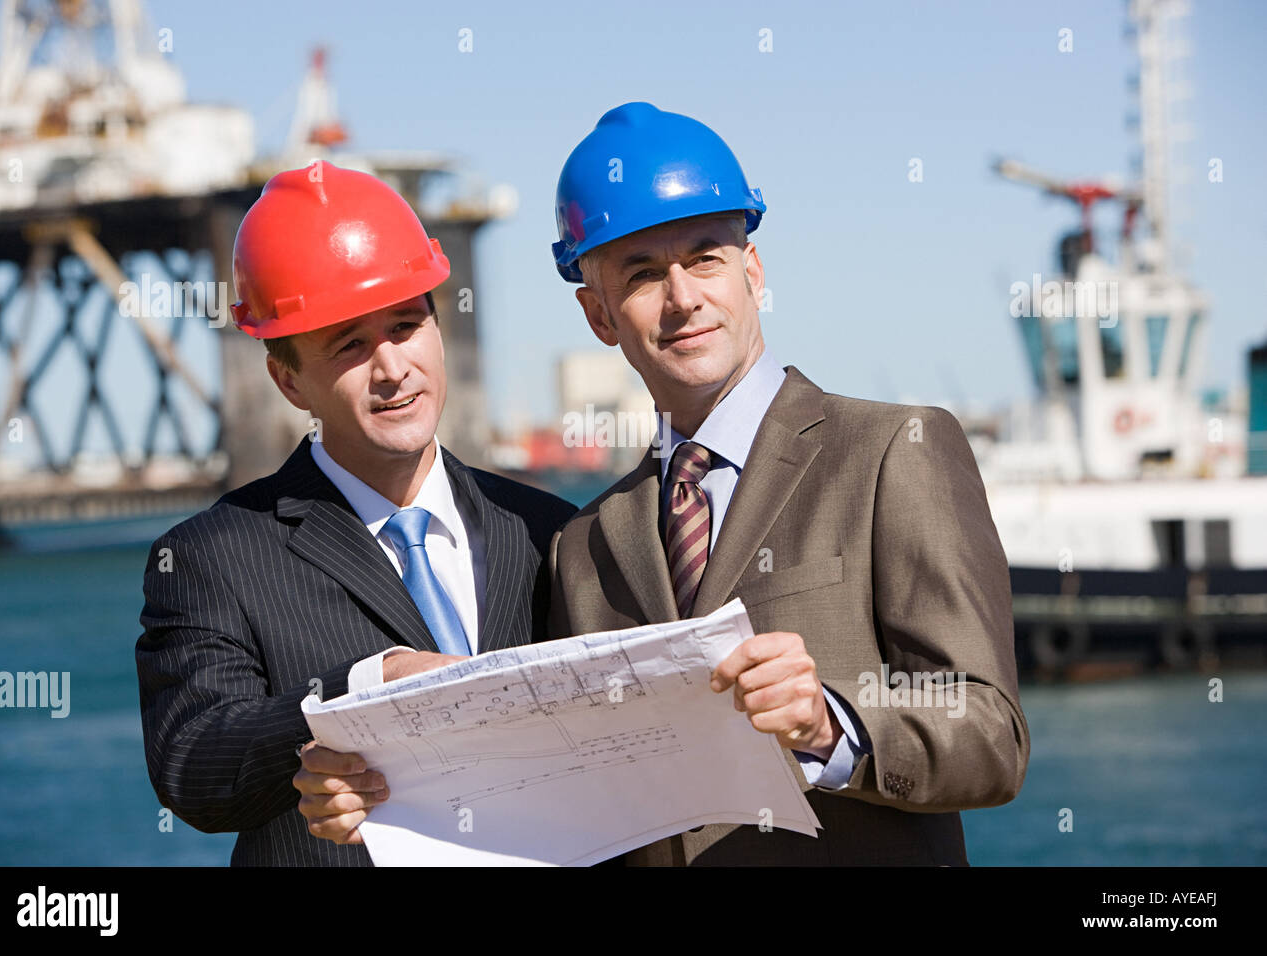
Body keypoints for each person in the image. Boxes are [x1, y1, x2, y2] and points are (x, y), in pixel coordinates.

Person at [546, 102, 1030, 865]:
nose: (683, 298)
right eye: (642, 274)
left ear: (753, 272)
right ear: (599, 315)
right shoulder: (583, 545)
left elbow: (991, 734)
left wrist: (830, 725)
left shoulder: (893, 452)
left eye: (705, 258)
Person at [135, 161, 575, 866]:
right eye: (350, 345)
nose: (392, 368)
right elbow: (194, 767)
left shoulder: (550, 531)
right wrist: (361, 692)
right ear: (288, 381)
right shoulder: (211, 557)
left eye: (406, 325)